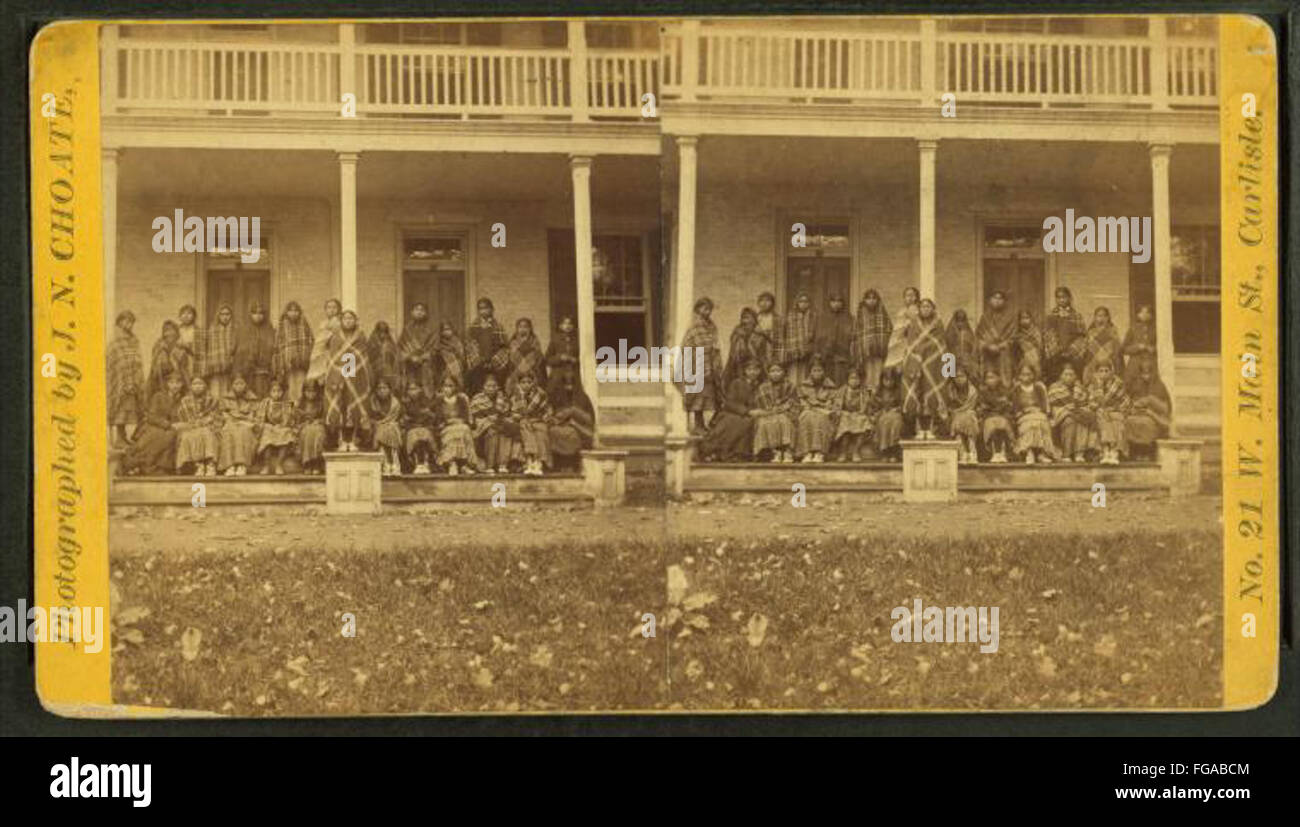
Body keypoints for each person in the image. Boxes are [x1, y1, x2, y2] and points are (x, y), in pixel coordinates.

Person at [323, 309, 372, 452]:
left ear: (355, 321)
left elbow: (361, 357)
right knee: (341, 408)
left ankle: (354, 439)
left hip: (356, 376)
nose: (348, 321)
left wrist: (350, 376)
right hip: (339, 376)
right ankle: (341, 440)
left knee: (355, 406)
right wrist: (340, 377)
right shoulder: (336, 337)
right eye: (345, 319)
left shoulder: (361, 336)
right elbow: (334, 359)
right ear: (341, 321)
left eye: (351, 318)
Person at [901, 298, 948, 439]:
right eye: (923, 307)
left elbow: (943, 346)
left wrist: (949, 372)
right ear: (919, 309)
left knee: (934, 394)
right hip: (916, 363)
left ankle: (932, 428)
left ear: (933, 309)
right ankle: (919, 429)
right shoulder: (913, 324)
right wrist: (915, 360)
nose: (925, 309)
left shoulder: (939, 324)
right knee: (917, 395)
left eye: (928, 307)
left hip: (935, 365)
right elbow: (910, 346)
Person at [121, 369, 183, 476]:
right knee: (158, 435)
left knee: (171, 435)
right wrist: (167, 424)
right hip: (153, 425)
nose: (175, 386)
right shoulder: (158, 396)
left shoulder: (182, 400)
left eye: (178, 383)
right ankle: (141, 464)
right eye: (172, 383)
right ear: (167, 384)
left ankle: (158, 467)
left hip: (169, 429)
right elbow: (151, 416)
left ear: (182, 384)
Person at [699, 358, 761, 463]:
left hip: (751, 415)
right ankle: (718, 452)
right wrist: (746, 411)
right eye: (750, 369)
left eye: (755, 370)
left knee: (747, 422)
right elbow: (729, 403)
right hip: (733, 412)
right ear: (745, 371)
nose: (753, 372)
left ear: (759, 371)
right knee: (734, 423)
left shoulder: (761, 386)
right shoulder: (736, 383)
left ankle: (738, 454)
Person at [680, 297, 723, 432]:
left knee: (710, 396)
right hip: (696, 363)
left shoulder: (711, 326)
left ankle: (706, 424)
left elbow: (715, 344)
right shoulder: (695, 327)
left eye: (709, 308)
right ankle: (698, 425)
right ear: (698, 309)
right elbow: (688, 345)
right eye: (704, 308)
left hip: (710, 363)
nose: (707, 311)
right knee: (698, 396)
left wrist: (714, 361)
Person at [107, 310, 145, 448]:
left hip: (133, 379)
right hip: (120, 381)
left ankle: (123, 438)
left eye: (131, 321)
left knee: (131, 409)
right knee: (120, 410)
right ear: (120, 322)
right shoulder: (115, 341)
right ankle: (119, 438)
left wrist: (136, 379)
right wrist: (123, 380)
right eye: (126, 321)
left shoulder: (134, 341)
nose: (129, 324)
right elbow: (114, 361)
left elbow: (136, 360)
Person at [1047, 364, 1099, 463]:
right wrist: (1071, 409)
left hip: (1077, 411)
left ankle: (1079, 453)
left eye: (1071, 374)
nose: (1069, 377)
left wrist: (1079, 409)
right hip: (1061, 413)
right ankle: (1067, 453)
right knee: (1070, 421)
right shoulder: (1055, 387)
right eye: (1066, 374)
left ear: (1075, 376)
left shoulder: (1080, 388)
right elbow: (1053, 401)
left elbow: (1086, 402)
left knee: (1083, 420)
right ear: (1061, 376)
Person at [173, 376, 221, 476]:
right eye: (195, 384)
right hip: (191, 426)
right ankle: (198, 464)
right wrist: (195, 423)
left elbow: (215, 415)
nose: (197, 387)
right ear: (191, 386)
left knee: (207, 433)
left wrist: (206, 421)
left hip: (209, 425)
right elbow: (185, 417)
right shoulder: (185, 400)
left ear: (205, 386)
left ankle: (210, 464)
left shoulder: (212, 400)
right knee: (190, 436)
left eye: (200, 384)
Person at [1124, 359, 1171, 460]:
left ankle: (1146, 453)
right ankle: (1135, 453)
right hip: (1138, 414)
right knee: (1130, 422)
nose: (1146, 376)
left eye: (1148, 373)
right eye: (1143, 373)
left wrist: (1150, 404)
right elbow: (1130, 403)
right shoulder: (1136, 385)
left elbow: (1165, 409)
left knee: (1146, 423)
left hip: (1155, 417)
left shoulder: (1159, 386)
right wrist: (1136, 408)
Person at [470, 375, 518, 474]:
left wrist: (498, 420)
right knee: (492, 432)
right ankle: (489, 465)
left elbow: (507, 413)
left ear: (497, 387)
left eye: (493, 386)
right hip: (482, 428)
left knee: (506, 432)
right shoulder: (477, 399)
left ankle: (502, 464)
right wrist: (492, 420)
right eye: (488, 386)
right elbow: (477, 416)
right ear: (483, 387)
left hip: (499, 424)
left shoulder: (502, 398)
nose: (491, 389)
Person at [548, 373, 596, 472]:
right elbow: (552, 416)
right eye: (565, 384)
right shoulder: (556, 398)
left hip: (580, 430)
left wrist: (574, 411)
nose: (568, 387)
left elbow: (590, 420)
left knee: (571, 434)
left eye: (571, 384)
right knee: (554, 432)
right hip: (561, 427)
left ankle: (571, 465)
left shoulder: (583, 398)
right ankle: (559, 466)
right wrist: (558, 418)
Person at [752, 362, 798, 463]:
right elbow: (762, 404)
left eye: (778, 371)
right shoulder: (763, 387)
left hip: (786, 412)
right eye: (772, 371)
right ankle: (775, 451)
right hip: (768, 412)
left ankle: (787, 451)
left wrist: (784, 408)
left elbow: (793, 402)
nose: (775, 374)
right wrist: (773, 410)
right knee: (767, 422)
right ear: (768, 373)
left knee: (783, 420)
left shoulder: (790, 385)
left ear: (783, 372)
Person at [433, 376, 478, 475]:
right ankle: (452, 463)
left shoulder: (461, 399)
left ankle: (464, 464)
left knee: (464, 429)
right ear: (441, 387)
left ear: (456, 387)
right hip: (445, 427)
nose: (448, 389)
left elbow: (466, 417)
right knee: (454, 433)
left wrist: (458, 421)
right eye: (445, 386)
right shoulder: (439, 401)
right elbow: (437, 419)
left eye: (451, 386)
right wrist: (448, 422)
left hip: (460, 424)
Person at [1087, 360, 1129, 465]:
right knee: (1102, 417)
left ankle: (1114, 451)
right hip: (1101, 411)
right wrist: (1099, 407)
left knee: (1116, 420)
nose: (1104, 373)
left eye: (1106, 370)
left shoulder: (1118, 383)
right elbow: (1091, 402)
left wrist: (1113, 408)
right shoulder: (1094, 385)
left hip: (1117, 410)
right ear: (1097, 372)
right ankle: (1106, 450)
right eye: (1101, 371)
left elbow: (1125, 401)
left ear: (1111, 372)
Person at [1011, 363, 1055, 464]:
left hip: (1039, 413)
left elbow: (1045, 405)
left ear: (1033, 375)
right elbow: (1015, 408)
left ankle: (1041, 453)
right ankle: (1029, 452)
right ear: (1019, 376)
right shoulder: (1016, 389)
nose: (1026, 377)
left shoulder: (1039, 387)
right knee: (1030, 424)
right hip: (1023, 415)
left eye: (1029, 374)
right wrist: (1025, 411)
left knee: (1040, 423)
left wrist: (1039, 410)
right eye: (1023, 374)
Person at [510, 371, 551, 476]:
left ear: (533, 383)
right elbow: (513, 412)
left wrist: (534, 420)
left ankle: (539, 462)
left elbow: (547, 411)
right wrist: (522, 418)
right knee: (524, 426)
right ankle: (530, 460)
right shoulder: (516, 396)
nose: (526, 385)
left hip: (538, 420)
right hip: (523, 421)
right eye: (523, 382)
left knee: (540, 431)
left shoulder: (541, 394)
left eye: (529, 382)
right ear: (519, 384)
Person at [795, 358, 837, 462]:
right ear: (810, 372)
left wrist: (826, 406)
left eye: (820, 370)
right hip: (808, 409)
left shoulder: (831, 387)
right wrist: (808, 406)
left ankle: (819, 452)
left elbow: (832, 402)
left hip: (824, 411)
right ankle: (807, 452)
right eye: (814, 370)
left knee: (821, 419)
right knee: (805, 417)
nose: (817, 373)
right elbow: (802, 401)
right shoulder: (804, 386)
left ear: (824, 372)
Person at [1043, 286, 1087, 382]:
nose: (1061, 300)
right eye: (1059, 297)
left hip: (1072, 355)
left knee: (1074, 378)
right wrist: (1056, 350)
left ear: (1069, 298)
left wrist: (1072, 350)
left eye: (1064, 297)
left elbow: (1082, 336)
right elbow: (1048, 334)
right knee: (1055, 378)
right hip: (1056, 355)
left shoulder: (1076, 316)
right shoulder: (1051, 316)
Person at [466, 297, 510, 394]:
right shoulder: (473, 327)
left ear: (491, 309)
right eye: (480, 308)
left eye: (486, 308)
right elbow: (470, 346)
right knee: (477, 388)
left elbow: (504, 347)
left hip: (495, 366)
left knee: (496, 388)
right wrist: (478, 360)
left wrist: (494, 361)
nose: (483, 311)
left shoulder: (498, 326)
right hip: (478, 365)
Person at [218, 374, 259, 476]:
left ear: (246, 385)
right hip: (230, 422)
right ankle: (229, 465)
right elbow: (223, 415)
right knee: (228, 433)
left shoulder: (252, 399)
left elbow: (254, 416)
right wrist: (231, 419)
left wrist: (246, 421)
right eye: (236, 384)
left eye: (241, 383)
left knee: (243, 432)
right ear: (232, 385)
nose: (239, 386)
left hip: (247, 424)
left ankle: (242, 465)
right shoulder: (226, 399)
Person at [273, 301, 313, 403]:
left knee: (302, 386)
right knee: (290, 387)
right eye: (290, 310)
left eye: (296, 311)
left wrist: (307, 357)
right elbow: (278, 345)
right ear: (286, 312)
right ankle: (291, 409)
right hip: (288, 362)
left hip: (302, 362)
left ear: (299, 312)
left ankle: (300, 408)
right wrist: (279, 364)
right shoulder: (282, 325)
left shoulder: (304, 323)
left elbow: (310, 340)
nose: (293, 313)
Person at [233, 302, 276, 399]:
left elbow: (272, 349)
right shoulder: (243, 330)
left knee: (262, 395)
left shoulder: (269, 329)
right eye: (255, 313)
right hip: (246, 369)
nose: (258, 316)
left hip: (264, 370)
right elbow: (240, 350)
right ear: (250, 314)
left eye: (261, 313)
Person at [253, 379, 297, 475]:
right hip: (269, 427)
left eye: (279, 391)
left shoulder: (286, 404)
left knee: (287, 432)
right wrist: (264, 425)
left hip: (281, 427)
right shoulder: (266, 403)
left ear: (282, 392)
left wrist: (282, 425)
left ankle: (279, 464)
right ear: (270, 392)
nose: (276, 394)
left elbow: (288, 420)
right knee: (266, 433)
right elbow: (260, 417)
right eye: (274, 391)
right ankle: (266, 464)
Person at [830, 368, 873, 462]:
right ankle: (843, 452)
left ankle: (856, 451)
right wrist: (838, 412)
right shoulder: (842, 390)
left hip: (858, 414)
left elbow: (868, 405)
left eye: (856, 378)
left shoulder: (864, 392)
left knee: (863, 423)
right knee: (845, 427)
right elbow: (837, 404)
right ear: (847, 380)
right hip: (846, 414)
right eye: (852, 378)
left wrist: (865, 410)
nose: (854, 381)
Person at [852, 288, 892, 391]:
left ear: (878, 300)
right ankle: (868, 396)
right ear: (864, 300)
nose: (871, 300)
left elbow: (888, 330)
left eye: (874, 298)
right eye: (868, 298)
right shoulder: (860, 314)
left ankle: (877, 394)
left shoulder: (883, 313)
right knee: (868, 374)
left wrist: (884, 344)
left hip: (880, 349)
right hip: (866, 350)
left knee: (879, 373)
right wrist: (859, 348)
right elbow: (857, 333)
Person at [722, 307, 770, 390]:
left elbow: (762, 351)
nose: (745, 321)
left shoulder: (759, 332)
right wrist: (741, 340)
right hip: (738, 364)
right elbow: (733, 350)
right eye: (743, 318)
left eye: (748, 318)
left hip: (756, 364)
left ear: (754, 319)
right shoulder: (737, 331)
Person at [975, 290, 1016, 387]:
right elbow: (978, 336)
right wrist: (987, 346)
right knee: (989, 380)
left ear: (1004, 301)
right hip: (988, 355)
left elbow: (1014, 337)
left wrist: (1000, 346)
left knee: (1004, 383)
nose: (997, 301)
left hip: (1004, 354)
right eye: (994, 298)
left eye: (1000, 298)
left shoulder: (1011, 318)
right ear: (990, 300)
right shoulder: (984, 318)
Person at [941, 364, 980, 464]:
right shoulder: (950, 392)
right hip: (953, 418)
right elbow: (946, 409)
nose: (959, 379)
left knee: (969, 417)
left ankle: (972, 451)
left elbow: (977, 408)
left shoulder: (973, 392)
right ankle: (962, 452)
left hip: (971, 417)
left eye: (962, 376)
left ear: (967, 377)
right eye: (956, 377)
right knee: (958, 421)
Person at [777, 291, 817, 387]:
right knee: (793, 375)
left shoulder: (813, 316)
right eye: (801, 301)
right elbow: (784, 333)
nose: (803, 304)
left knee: (806, 374)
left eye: (806, 302)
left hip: (807, 350)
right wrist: (785, 349)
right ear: (797, 303)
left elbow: (815, 333)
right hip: (793, 349)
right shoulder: (790, 316)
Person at [199, 303, 238, 401]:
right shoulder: (212, 329)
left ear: (231, 315)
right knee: (215, 391)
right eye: (222, 314)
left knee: (228, 391)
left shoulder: (235, 329)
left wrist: (232, 359)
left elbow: (237, 347)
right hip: (215, 365)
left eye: (227, 314)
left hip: (230, 365)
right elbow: (207, 348)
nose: (225, 317)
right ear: (218, 315)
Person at [398, 302, 437, 398]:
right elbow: (401, 347)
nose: (419, 312)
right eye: (416, 309)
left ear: (426, 313)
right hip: (410, 366)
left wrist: (423, 357)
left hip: (426, 366)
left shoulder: (431, 329)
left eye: (422, 310)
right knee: (411, 390)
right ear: (412, 312)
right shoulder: (406, 330)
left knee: (426, 392)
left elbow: (435, 348)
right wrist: (410, 357)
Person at [814, 294, 854, 387]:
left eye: (839, 301)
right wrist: (819, 352)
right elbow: (818, 337)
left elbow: (851, 337)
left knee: (841, 380)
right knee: (826, 381)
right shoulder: (822, 318)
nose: (836, 304)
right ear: (829, 303)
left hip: (842, 355)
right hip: (825, 356)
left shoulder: (848, 318)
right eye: (833, 301)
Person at [976, 369, 1014, 464]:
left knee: (1002, 423)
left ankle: (1002, 452)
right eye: (988, 378)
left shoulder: (1005, 391)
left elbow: (1008, 406)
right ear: (984, 380)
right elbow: (982, 407)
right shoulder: (983, 393)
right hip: (988, 417)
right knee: (991, 424)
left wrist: (1001, 409)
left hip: (1003, 416)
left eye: (992, 377)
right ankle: (994, 452)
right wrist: (993, 409)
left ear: (998, 378)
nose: (990, 380)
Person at [369, 377, 404, 476]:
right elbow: (371, 418)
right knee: (383, 431)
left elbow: (400, 418)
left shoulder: (395, 403)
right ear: (376, 390)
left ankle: (394, 463)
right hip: (376, 427)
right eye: (379, 388)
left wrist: (394, 423)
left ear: (389, 389)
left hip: (393, 426)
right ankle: (386, 463)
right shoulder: (373, 402)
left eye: (385, 388)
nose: (382, 391)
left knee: (390, 429)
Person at [1080, 306, 1124, 385]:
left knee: (1110, 381)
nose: (1102, 318)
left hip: (1109, 360)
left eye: (1104, 316)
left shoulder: (1113, 331)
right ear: (1095, 318)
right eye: (1099, 316)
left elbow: (1117, 348)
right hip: (1093, 360)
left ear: (1108, 317)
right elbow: (1087, 348)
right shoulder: (1091, 332)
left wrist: (1113, 357)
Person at [400, 384, 437, 475]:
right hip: (411, 428)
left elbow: (432, 417)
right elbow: (404, 419)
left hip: (425, 427)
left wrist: (426, 418)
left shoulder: (427, 402)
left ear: (420, 389)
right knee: (414, 435)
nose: (412, 392)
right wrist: (411, 423)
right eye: (410, 389)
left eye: (415, 389)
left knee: (424, 434)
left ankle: (425, 462)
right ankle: (416, 462)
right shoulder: (404, 404)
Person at [293, 380, 328, 475]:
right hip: (304, 426)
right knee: (307, 432)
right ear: (304, 392)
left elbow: (325, 417)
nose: (310, 394)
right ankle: (307, 463)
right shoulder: (300, 403)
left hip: (318, 425)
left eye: (313, 391)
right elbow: (296, 419)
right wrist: (304, 422)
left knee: (318, 432)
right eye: (308, 391)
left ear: (317, 392)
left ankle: (317, 462)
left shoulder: (321, 403)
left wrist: (319, 421)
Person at [147, 320, 189, 398]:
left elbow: (184, 367)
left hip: (177, 377)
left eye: (172, 330)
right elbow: (154, 362)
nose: (169, 333)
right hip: (160, 377)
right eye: (166, 330)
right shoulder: (159, 345)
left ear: (176, 332)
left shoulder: (181, 346)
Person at [505, 317, 547, 394]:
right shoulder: (512, 343)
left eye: (526, 327)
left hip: (533, 373)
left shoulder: (535, 342)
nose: (523, 329)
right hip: (515, 373)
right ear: (517, 329)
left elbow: (540, 360)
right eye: (520, 327)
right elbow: (509, 362)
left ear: (530, 329)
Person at [306, 298, 342, 386]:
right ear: (325, 310)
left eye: (334, 307)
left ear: (339, 309)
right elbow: (320, 342)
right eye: (329, 307)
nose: (332, 310)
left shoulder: (340, 323)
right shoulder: (323, 324)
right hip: (322, 354)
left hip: (334, 354)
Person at [884, 286, 920, 372]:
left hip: (909, 340)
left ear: (916, 297)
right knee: (897, 368)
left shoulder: (916, 310)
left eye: (912, 295)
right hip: (898, 341)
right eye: (907, 296)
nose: (910, 298)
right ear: (904, 298)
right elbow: (897, 327)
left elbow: (915, 325)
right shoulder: (901, 311)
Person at [872, 370, 905, 462]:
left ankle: (894, 451)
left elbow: (903, 404)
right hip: (882, 414)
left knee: (896, 422)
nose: (889, 383)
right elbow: (873, 406)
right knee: (884, 422)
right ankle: (885, 452)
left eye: (891, 380)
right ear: (881, 380)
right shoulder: (878, 392)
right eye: (886, 380)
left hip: (895, 413)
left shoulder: (899, 392)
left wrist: (897, 409)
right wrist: (880, 411)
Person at [1122, 304, 1159, 385]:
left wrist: (1154, 348)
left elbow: (1164, 347)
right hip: (1135, 362)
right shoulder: (1132, 329)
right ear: (1137, 314)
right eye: (1142, 312)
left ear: (1152, 315)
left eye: (1148, 312)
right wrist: (1137, 347)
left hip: (1151, 362)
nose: (1145, 315)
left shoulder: (1157, 329)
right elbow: (1124, 349)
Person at [545, 315, 581, 396]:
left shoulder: (578, 340)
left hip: (574, 373)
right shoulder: (555, 340)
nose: (567, 326)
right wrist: (560, 358)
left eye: (570, 324)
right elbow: (547, 359)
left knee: (575, 395)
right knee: (554, 393)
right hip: (559, 372)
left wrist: (576, 359)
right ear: (560, 326)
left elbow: (586, 357)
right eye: (565, 323)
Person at [433, 321, 471, 394]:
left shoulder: (458, 342)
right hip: (444, 372)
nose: (447, 331)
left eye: (449, 329)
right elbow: (436, 361)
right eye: (445, 330)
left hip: (459, 371)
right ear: (441, 332)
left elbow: (463, 358)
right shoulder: (438, 344)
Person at [368, 320, 401, 396]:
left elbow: (396, 358)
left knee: (389, 391)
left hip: (389, 372)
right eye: (380, 332)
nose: (382, 335)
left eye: (384, 332)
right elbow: (368, 359)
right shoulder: (371, 343)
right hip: (375, 372)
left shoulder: (391, 344)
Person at [1010, 310, 1045, 382]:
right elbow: (1014, 354)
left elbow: (1042, 349)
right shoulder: (1017, 335)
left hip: (1037, 363)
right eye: (1022, 318)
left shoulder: (1037, 333)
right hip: (1023, 365)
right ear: (1019, 321)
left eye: (1027, 318)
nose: (1025, 321)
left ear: (1031, 319)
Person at [944, 308, 978, 379]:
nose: (960, 324)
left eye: (962, 321)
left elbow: (973, 348)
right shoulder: (949, 333)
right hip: (952, 361)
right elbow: (946, 348)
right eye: (958, 321)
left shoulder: (969, 333)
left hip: (967, 362)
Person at [175, 304, 201, 383]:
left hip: (191, 358)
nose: (186, 316)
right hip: (178, 357)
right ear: (180, 316)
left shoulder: (197, 330)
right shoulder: (177, 329)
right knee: (178, 377)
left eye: (189, 313)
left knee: (190, 377)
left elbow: (200, 347)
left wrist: (188, 347)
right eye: (183, 313)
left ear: (194, 316)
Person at [754, 291, 781, 355]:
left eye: (768, 300)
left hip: (770, 348)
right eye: (762, 300)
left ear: (772, 303)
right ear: (758, 303)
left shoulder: (777, 319)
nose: (764, 303)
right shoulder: (755, 318)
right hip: (756, 349)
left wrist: (764, 333)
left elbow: (779, 339)